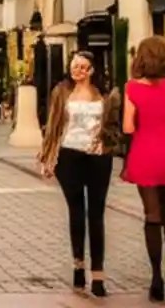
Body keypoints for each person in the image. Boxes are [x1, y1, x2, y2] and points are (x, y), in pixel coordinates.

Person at [38, 51, 121, 298]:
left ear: (92, 70)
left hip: (98, 157)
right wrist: (47, 157)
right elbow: (53, 126)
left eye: (83, 67)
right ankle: (78, 265)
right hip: (69, 156)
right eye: (74, 66)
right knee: (77, 212)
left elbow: (114, 128)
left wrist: (108, 144)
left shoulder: (104, 96)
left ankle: (97, 274)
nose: (78, 71)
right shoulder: (61, 92)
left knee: (96, 214)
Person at [122, 36, 165, 302]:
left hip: (145, 152)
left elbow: (128, 127)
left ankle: (156, 278)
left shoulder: (132, 88)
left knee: (152, 215)